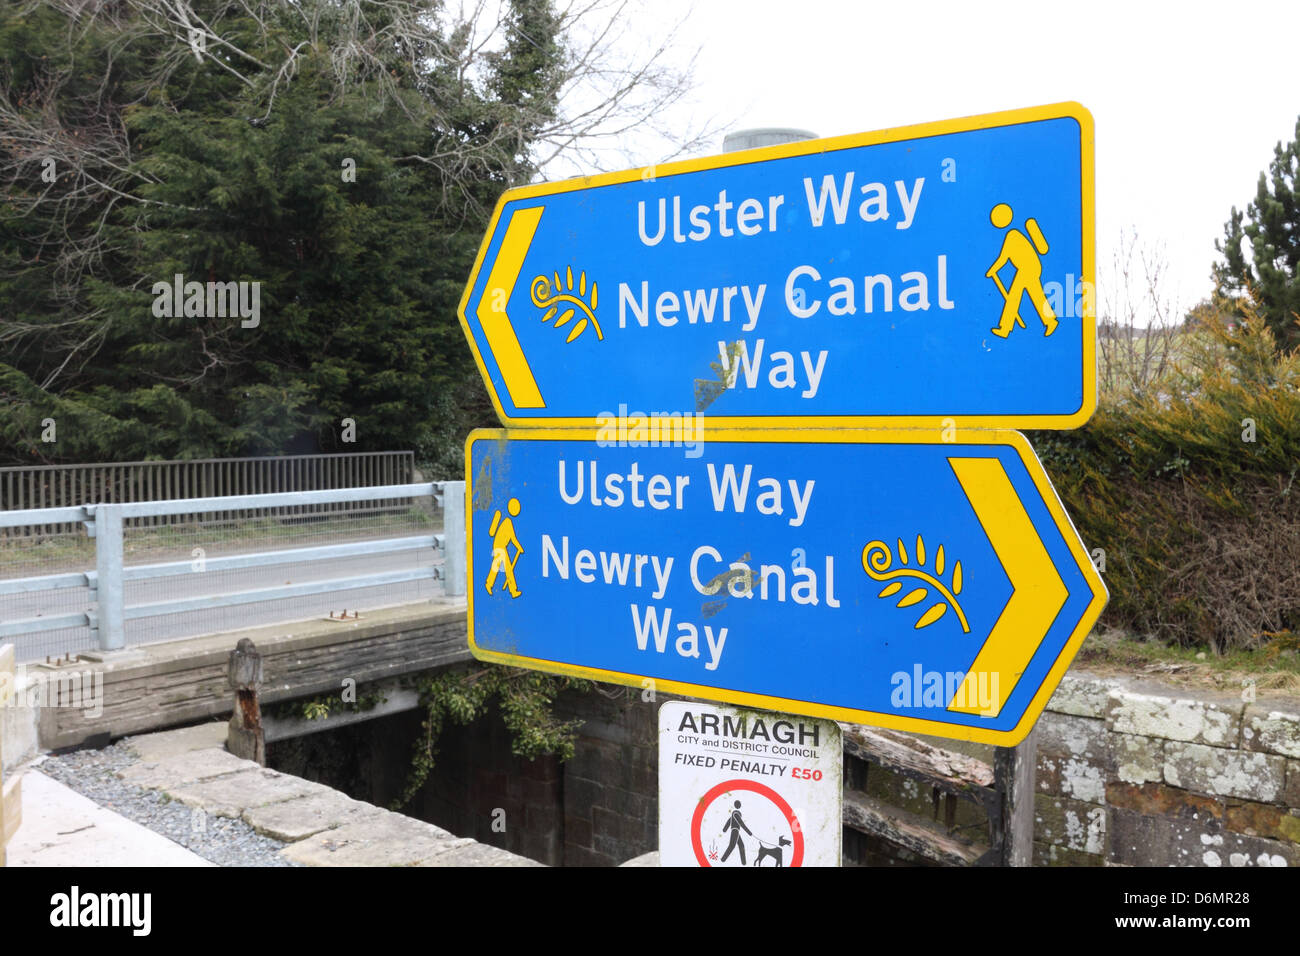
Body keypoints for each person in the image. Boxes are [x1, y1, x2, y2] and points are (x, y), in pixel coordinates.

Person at [985, 203, 1058, 338]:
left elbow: (1003, 259)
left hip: (1028, 268)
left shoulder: (1012, 236)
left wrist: (991, 271)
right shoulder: (1014, 234)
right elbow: (1004, 258)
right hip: (1031, 267)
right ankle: (1050, 321)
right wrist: (992, 270)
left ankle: (1005, 328)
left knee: (1014, 295)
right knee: (1036, 295)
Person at [485, 497, 523, 598]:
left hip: (499, 546)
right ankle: (513, 591)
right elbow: (513, 539)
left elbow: (512, 538)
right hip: (500, 547)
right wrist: (520, 548)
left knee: (497, 566)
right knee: (508, 569)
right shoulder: (508, 522)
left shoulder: (507, 521)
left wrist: (519, 548)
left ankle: (489, 584)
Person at [720, 799, 752, 865]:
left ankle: (744, 863)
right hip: (735, 831)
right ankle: (723, 859)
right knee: (732, 846)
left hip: (735, 831)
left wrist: (724, 830)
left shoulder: (733, 816)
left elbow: (728, 822)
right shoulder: (736, 815)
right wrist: (749, 833)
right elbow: (742, 824)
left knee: (741, 845)